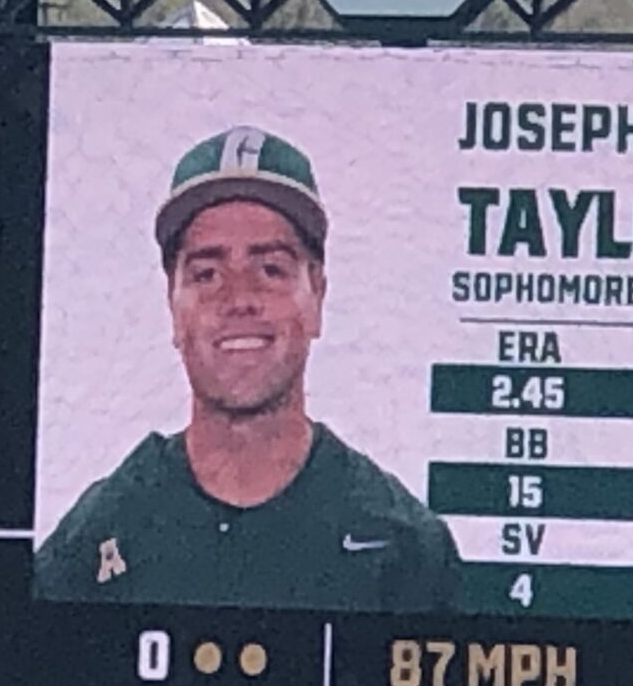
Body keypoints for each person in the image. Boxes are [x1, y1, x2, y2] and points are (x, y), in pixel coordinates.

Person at [34, 126, 462, 611]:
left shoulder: (404, 548)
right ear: (172, 305)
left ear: (317, 295)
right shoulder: (97, 537)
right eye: (207, 274)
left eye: (271, 270)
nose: (239, 299)